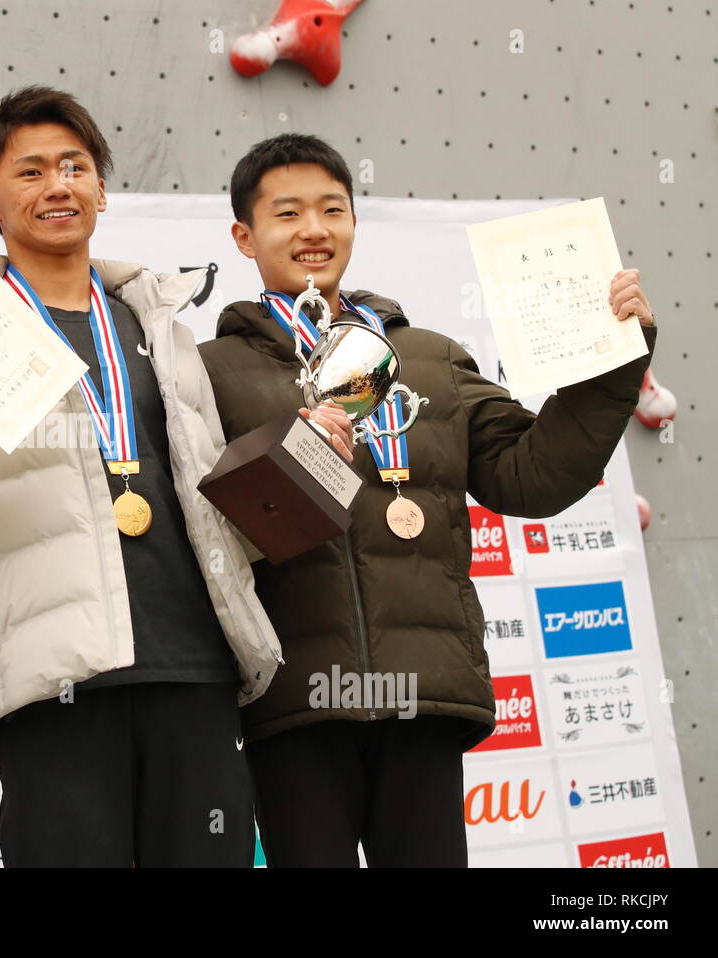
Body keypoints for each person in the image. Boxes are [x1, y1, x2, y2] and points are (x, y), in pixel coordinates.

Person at [0, 87, 348, 867]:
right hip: (56, 685)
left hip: (196, 669)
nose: (58, 185)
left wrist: (309, 463)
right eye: (30, 172)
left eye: (76, 166)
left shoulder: (160, 321)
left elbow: (221, 520)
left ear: (102, 188)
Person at [198, 133, 658, 867]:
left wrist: (609, 364)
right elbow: (207, 534)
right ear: (245, 236)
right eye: (288, 214)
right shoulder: (208, 373)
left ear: (353, 222)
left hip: (424, 692)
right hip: (291, 702)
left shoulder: (431, 358)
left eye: (332, 209)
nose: (314, 229)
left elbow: (530, 475)